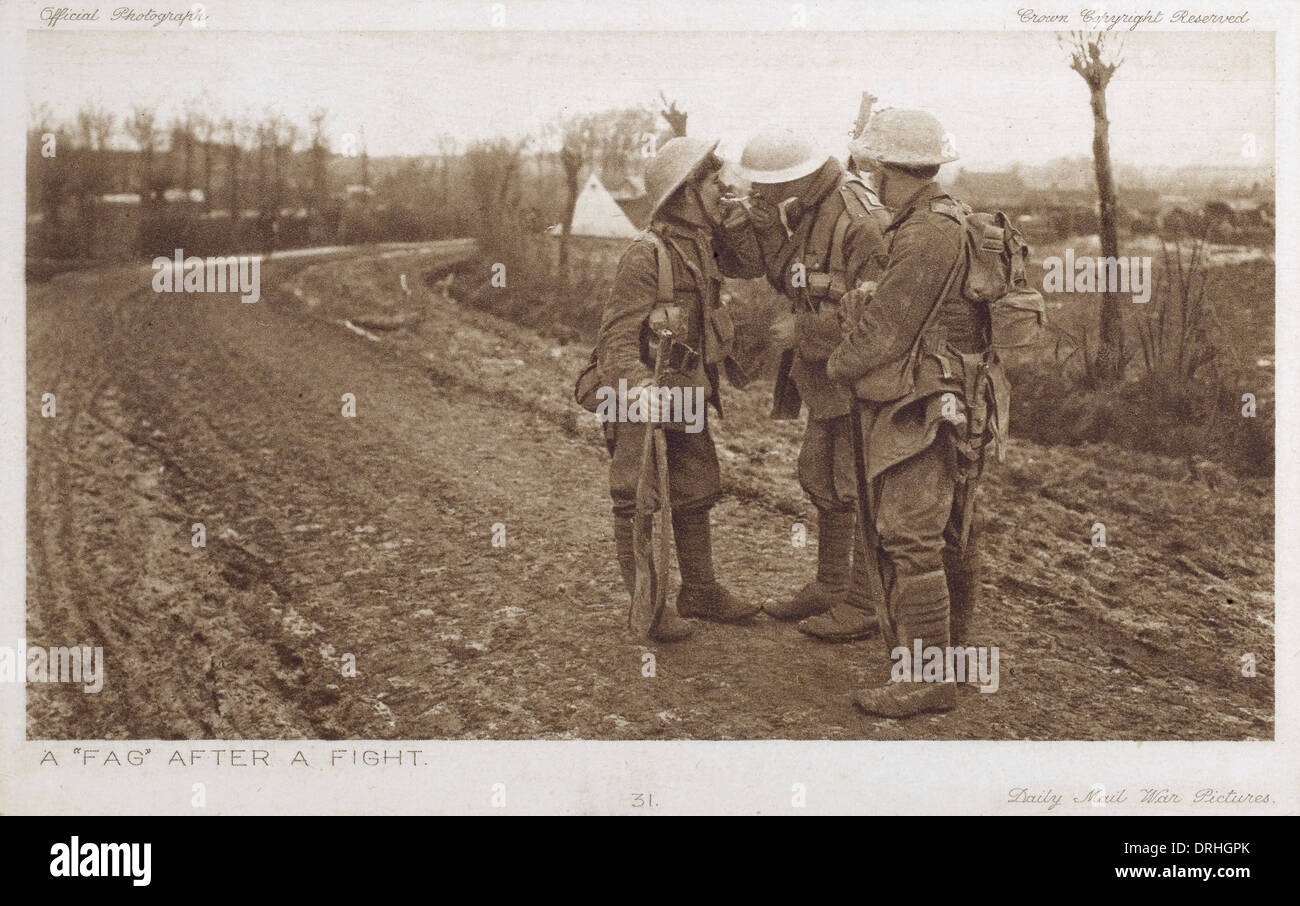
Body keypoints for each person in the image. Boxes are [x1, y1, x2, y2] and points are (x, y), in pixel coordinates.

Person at [827, 108, 979, 717]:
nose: (871, 179)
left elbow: (887, 331)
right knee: (940, 533)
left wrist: (839, 364)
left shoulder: (926, 233)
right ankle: (944, 661)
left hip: (925, 403)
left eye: (875, 168)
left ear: (892, 169)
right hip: (943, 395)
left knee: (911, 535)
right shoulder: (937, 219)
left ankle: (928, 678)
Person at [595, 136, 764, 642]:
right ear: (687, 192)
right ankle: (648, 606)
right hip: (640, 397)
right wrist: (640, 392)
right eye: (714, 183)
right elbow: (615, 342)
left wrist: (742, 224)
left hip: (688, 388)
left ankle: (701, 591)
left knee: (694, 489)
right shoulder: (646, 255)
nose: (724, 190)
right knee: (637, 497)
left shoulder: (701, 246)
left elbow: (754, 266)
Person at [733, 126, 892, 641]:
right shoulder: (806, 209)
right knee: (821, 476)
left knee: (859, 484)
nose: (757, 193)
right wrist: (768, 232)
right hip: (824, 377)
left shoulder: (860, 221)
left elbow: (885, 320)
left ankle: (868, 602)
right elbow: (794, 277)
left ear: (793, 178)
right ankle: (830, 584)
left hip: (861, 379)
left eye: (765, 186)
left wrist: (803, 329)